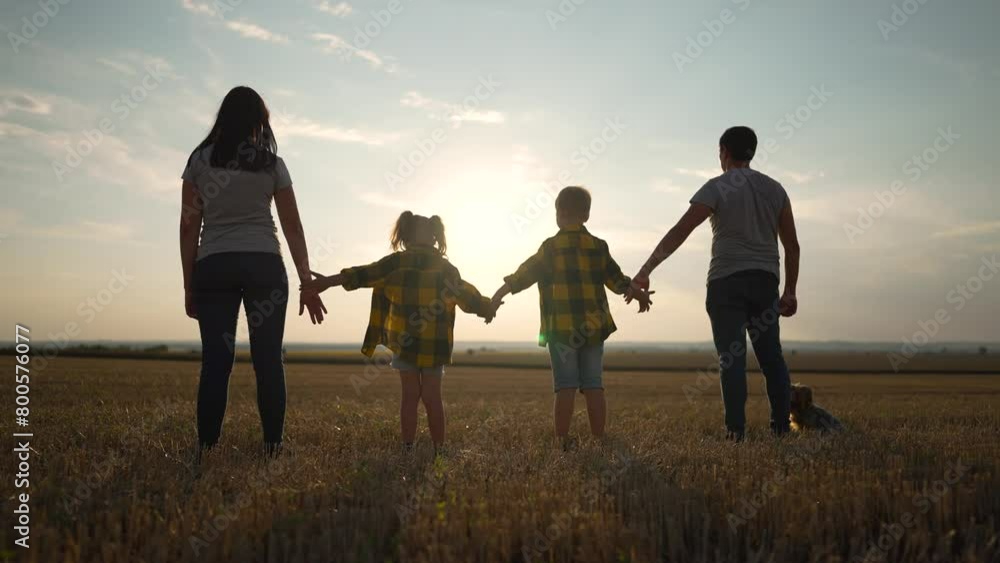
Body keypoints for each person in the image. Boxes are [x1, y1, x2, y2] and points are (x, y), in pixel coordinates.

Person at [179, 86, 327, 457]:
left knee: (216, 361)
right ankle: (273, 445)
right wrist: (306, 281)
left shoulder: (199, 160)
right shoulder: (272, 164)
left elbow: (188, 226)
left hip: (214, 266)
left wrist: (189, 283)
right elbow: (293, 227)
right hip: (264, 265)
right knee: (268, 360)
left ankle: (207, 447)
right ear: (259, 122)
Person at [630, 126, 801, 441]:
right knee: (771, 357)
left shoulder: (717, 187)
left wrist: (646, 269)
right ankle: (780, 429)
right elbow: (792, 245)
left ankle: (735, 433)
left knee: (731, 358)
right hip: (765, 283)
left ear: (724, 151)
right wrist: (790, 290)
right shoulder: (775, 190)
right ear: (752, 151)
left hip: (725, 283)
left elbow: (681, 230)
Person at [303, 212, 494, 453]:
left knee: (410, 396)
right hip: (435, 345)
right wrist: (487, 308)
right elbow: (467, 295)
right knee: (433, 397)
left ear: (406, 236)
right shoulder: (446, 268)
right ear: (435, 238)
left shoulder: (395, 263)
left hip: (405, 342)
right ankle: (438, 449)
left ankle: (407, 448)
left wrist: (328, 282)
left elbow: (364, 273)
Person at [491, 187, 653, 450]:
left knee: (565, 386)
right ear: (586, 215)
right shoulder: (598, 246)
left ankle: (562, 440)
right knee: (593, 385)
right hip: (593, 327)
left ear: (560, 213)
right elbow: (617, 280)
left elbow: (523, 275)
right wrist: (638, 294)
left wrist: (497, 296)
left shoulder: (550, 248)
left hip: (561, 330)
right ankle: (599, 439)